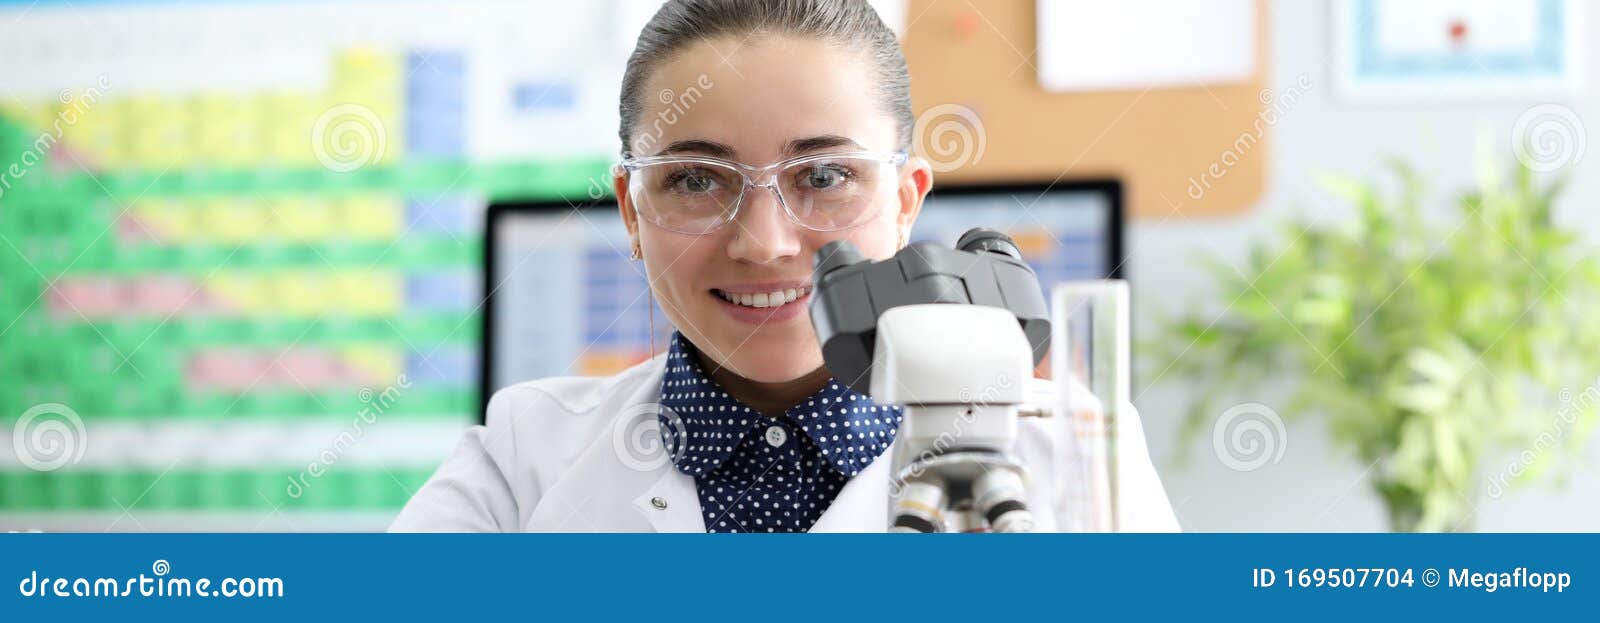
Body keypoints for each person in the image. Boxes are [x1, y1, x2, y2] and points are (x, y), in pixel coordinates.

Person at [391, 0, 1177, 532]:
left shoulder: (1074, 453)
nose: (763, 241)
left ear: (905, 201)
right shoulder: (524, 460)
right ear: (632, 210)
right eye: (697, 179)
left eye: (825, 176)